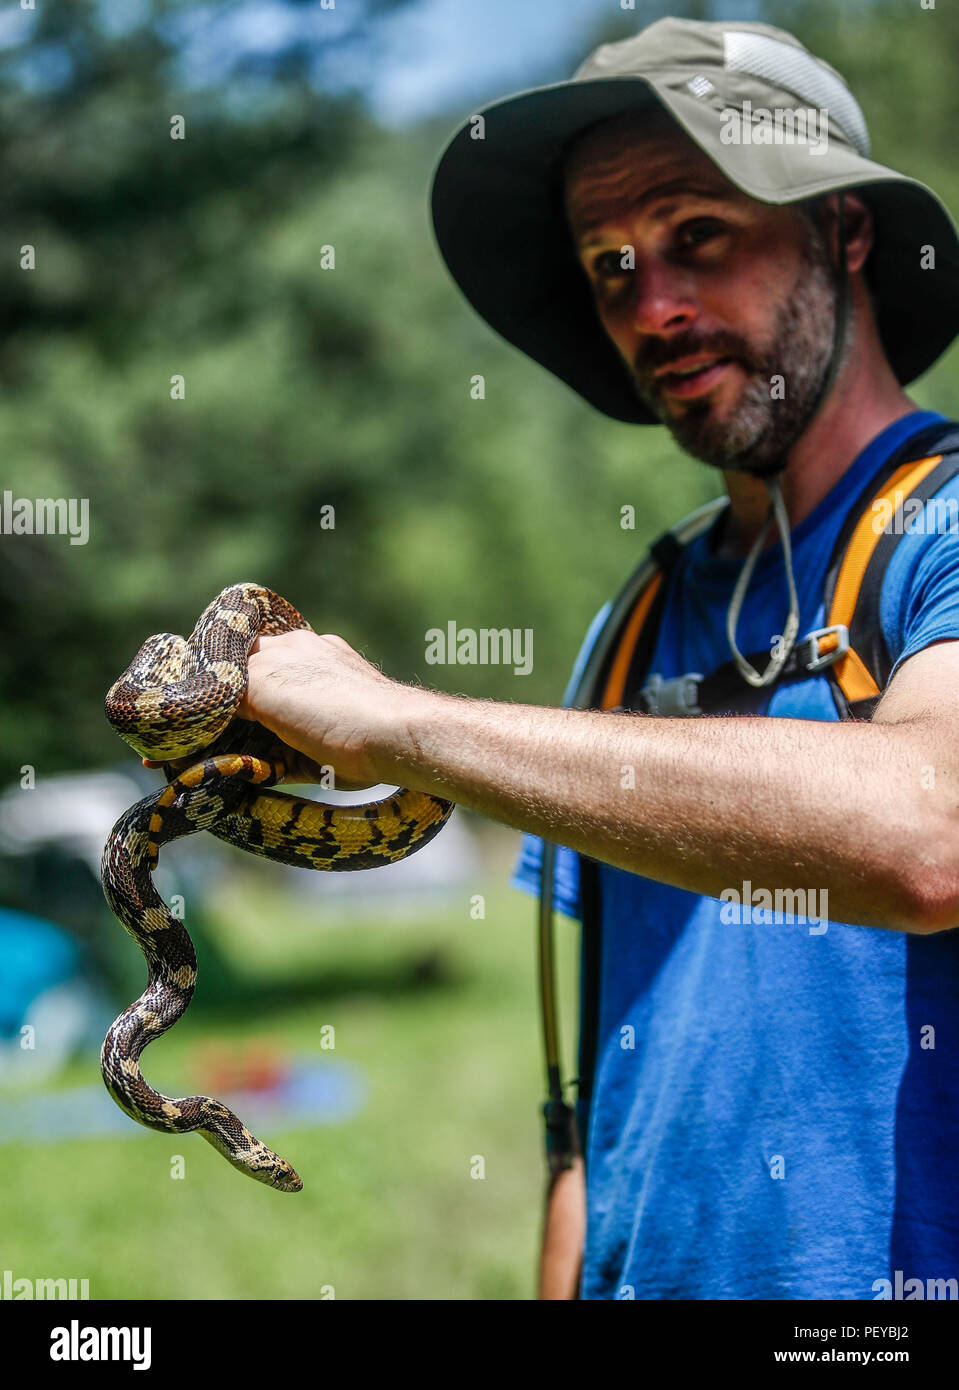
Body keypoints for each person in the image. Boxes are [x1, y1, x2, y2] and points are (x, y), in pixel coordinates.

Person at [172, 20, 959, 1298]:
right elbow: (592, 1116)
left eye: (696, 231)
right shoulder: (636, 622)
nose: (651, 305)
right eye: (608, 264)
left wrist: (395, 726)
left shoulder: (937, 528)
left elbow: (933, 836)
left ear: (845, 233)